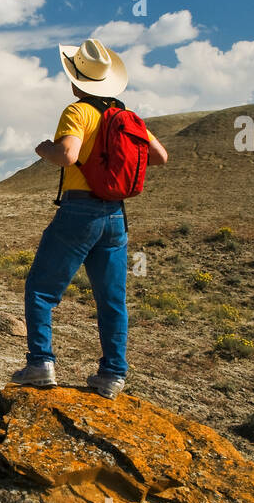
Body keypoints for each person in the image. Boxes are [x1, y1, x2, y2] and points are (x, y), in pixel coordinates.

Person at [11, 38, 169, 398]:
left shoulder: (77, 112)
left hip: (79, 211)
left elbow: (67, 155)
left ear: (75, 81)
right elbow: (159, 156)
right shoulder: (125, 116)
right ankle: (113, 374)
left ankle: (40, 363)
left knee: (40, 288)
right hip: (115, 216)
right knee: (112, 300)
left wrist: (43, 149)